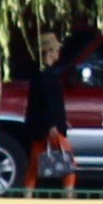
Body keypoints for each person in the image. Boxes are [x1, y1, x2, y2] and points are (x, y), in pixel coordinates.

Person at [20, 29, 96, 194]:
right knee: (68, 160)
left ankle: (27, 195)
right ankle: (68, 194)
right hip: (49, 127)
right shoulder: (46, 75)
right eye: (56, 49)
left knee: (35, 162)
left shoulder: (40, 73)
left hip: (40, 127)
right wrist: (53, 125)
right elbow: (47, 102)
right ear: (48, 51)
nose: (58, 52)